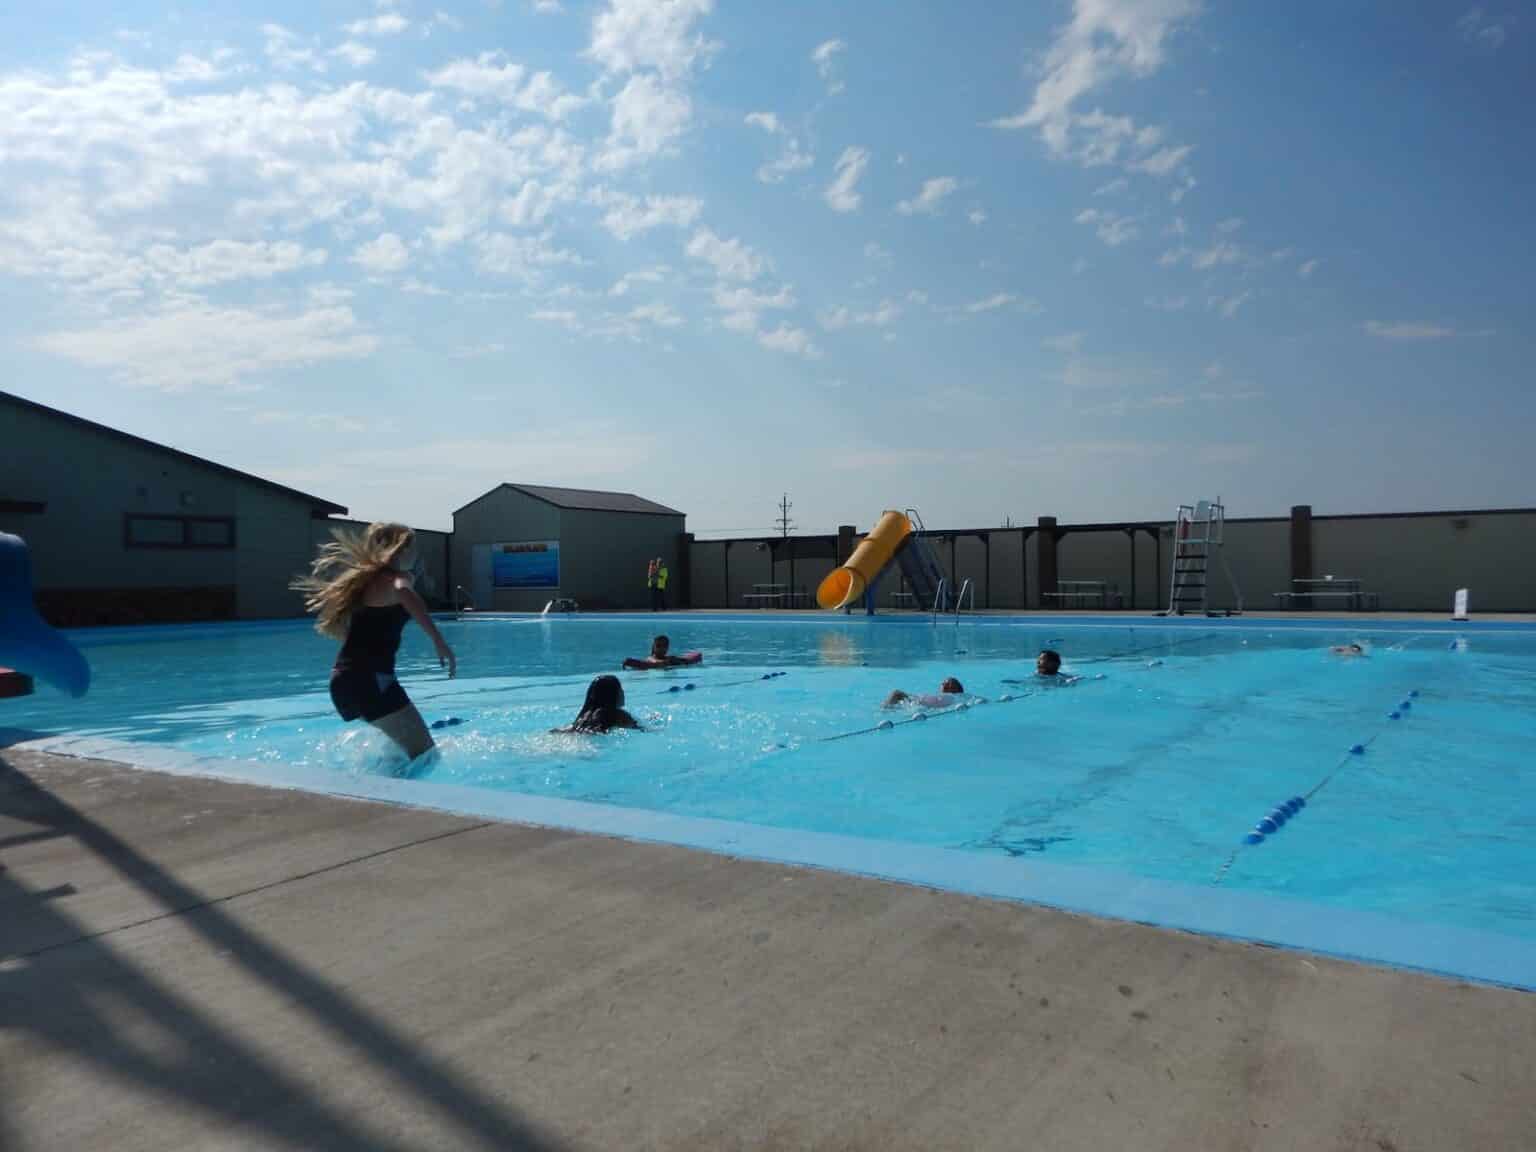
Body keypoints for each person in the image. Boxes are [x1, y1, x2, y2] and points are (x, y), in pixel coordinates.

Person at [293, 522, 457, 761]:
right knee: (426, 756)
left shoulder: (365, 582)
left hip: (345, 680)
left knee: (398, 756)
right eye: (413, 548)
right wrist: (438, 641)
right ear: (400, 549)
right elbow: (404, 591)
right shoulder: (397, 579)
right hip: (369, 681)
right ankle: (384, 797)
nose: (416, 554)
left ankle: (368, 792)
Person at [555, 675, 641, 734]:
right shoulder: (618, 715)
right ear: (612, 695)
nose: (623, 692)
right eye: (620, 689)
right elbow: (642, 729)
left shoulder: (584, 716)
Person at [623, 634, 701, 670]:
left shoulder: (669, 658)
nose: (662, 648)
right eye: (659, 646)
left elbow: (697, 655)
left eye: (665, 646)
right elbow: (654, 663)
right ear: (653, 648)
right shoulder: (650, 659)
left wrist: (682, 661)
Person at [884, 676, 966, 710]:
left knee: (896, 693)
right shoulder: (953, 698)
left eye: (943, 682)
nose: (941, 684)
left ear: (947, 687)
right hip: (920, 703)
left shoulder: (947, 696)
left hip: (918, 703)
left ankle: (884, 709)